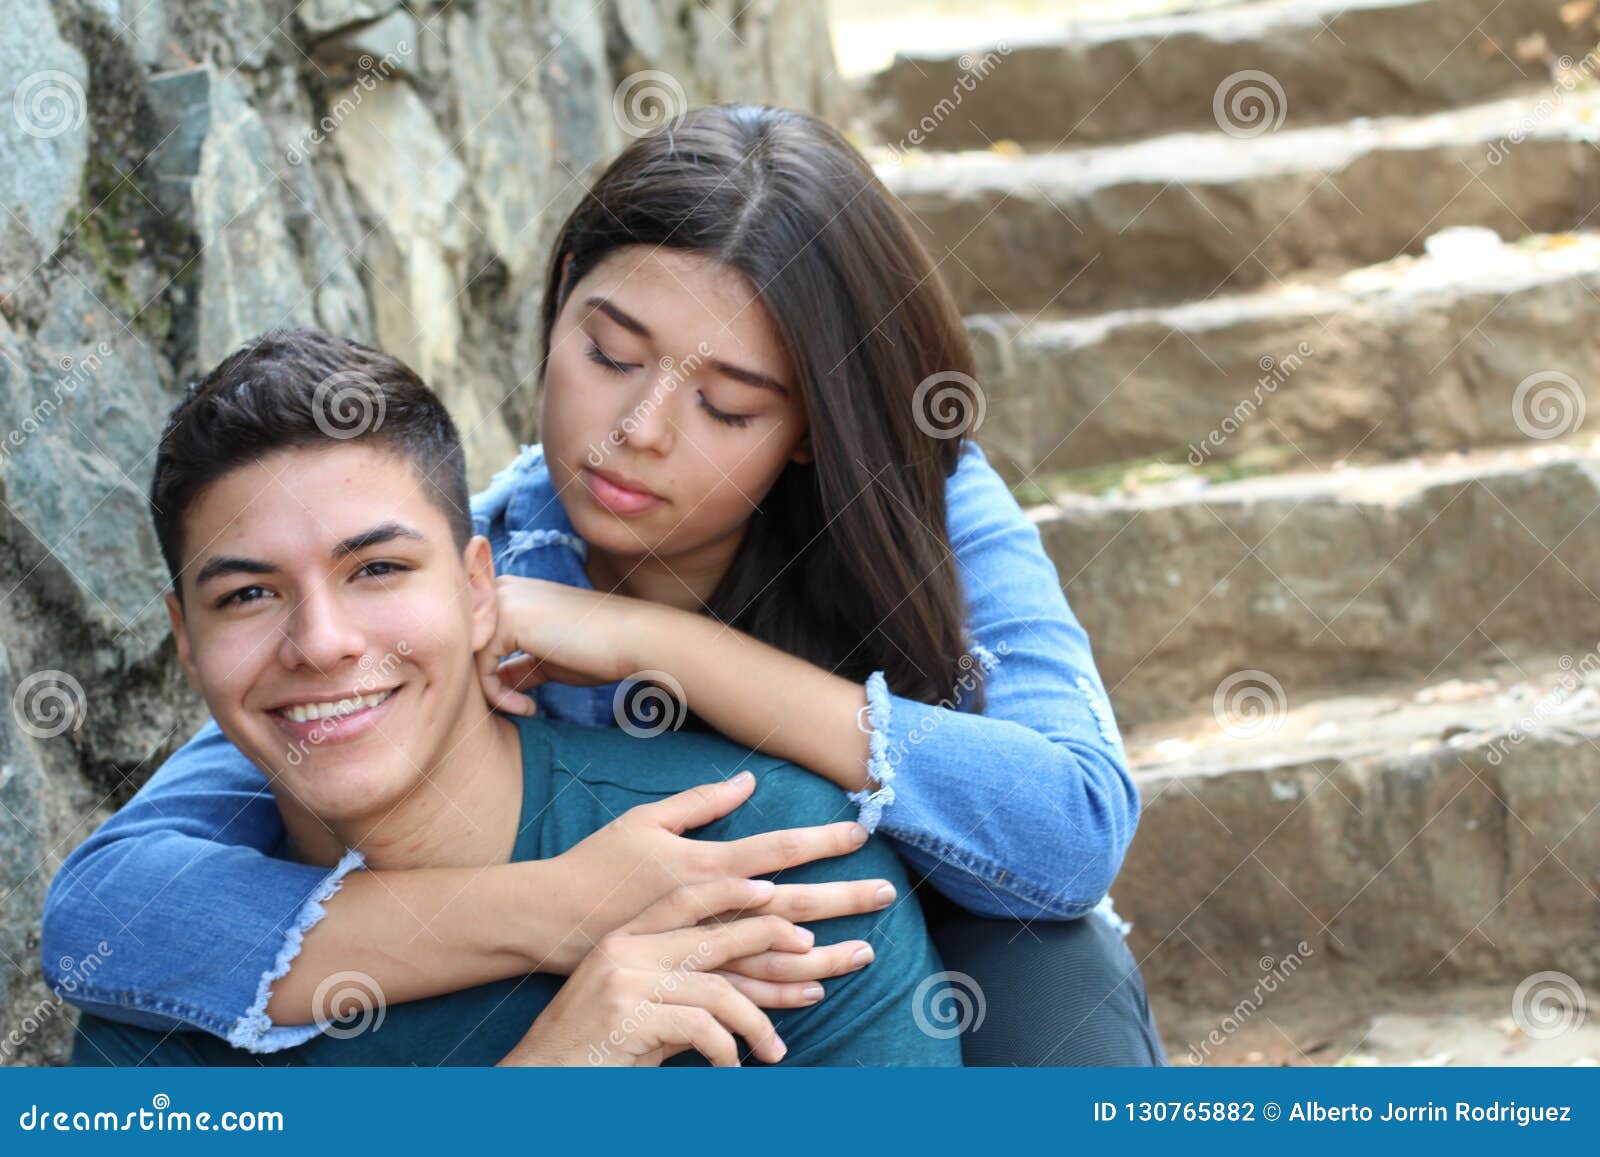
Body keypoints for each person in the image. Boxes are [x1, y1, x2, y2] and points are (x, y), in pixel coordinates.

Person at [43, 103, 1164, 1065]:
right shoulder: (447, 576)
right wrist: (558, 908)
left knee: (1053, 972)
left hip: (953, 939)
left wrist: (659, 644)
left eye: (726, 405)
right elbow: (107, 907)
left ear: (816, 426)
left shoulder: (928, 501)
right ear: (564, 294)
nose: (636, 431)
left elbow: (1067, 831)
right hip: (630, 978)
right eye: (610, 354)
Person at [68, 329, 958, 1067]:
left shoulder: (764, 872)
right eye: (249, 595)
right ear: (187, 642)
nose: (323, 642)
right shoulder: (162, 996)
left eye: (377, 568)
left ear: (481, 590)